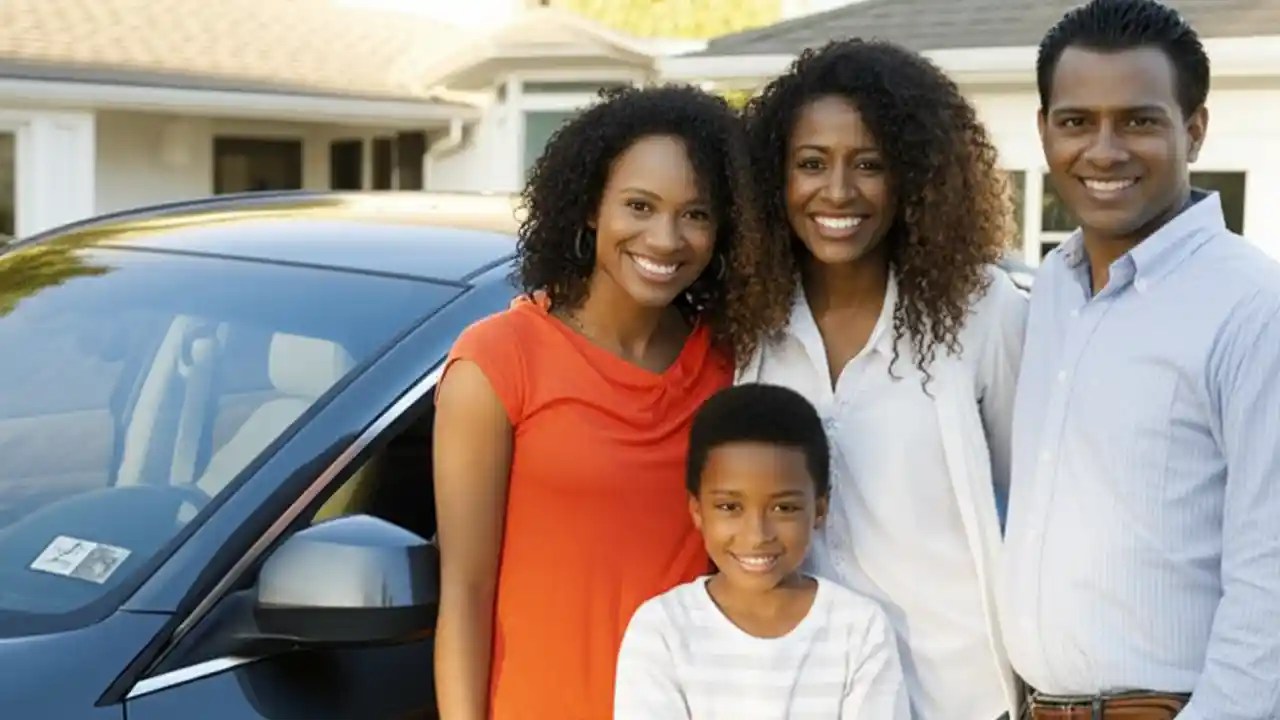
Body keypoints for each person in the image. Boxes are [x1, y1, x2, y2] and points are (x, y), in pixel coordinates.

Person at [432, 84, 773, 720]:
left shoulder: (735, 364)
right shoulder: (500, 361)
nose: (666, 238)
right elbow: (467, 593)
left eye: (696, 214)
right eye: (639, 206)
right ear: (592, 208)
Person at [1000, 1, 1280, 718]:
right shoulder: (1052, 290)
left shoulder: (1253, 309)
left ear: (1195, 128)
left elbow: (1271, 579)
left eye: (1139, 120)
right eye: (1076, 121)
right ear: (1043, 131)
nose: (1103, 150)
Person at [736, 39, 1028, 720]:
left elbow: (1039, 509)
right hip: (797, 697)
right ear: (774, 179)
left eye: (869, 165)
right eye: (811, 164)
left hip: (956, 698)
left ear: (914, 179)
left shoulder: (983, 313)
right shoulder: (749, 321)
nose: (837, 192)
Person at [613, 383, 910, 719]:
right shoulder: (662, 630)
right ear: (697, 510)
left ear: (820, 509)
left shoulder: (858, 630)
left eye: (784, 508)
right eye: (729, 506)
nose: (757, 535)